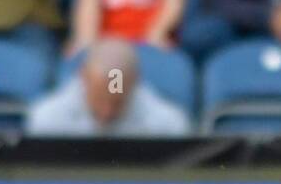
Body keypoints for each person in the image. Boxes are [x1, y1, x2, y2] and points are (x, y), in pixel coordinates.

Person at [25, 38, 191, 136]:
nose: (107, 112)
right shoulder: (47, 120)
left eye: (117, 102)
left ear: (135, 82)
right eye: (99, 100)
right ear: (83, 77)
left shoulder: (168, 126)